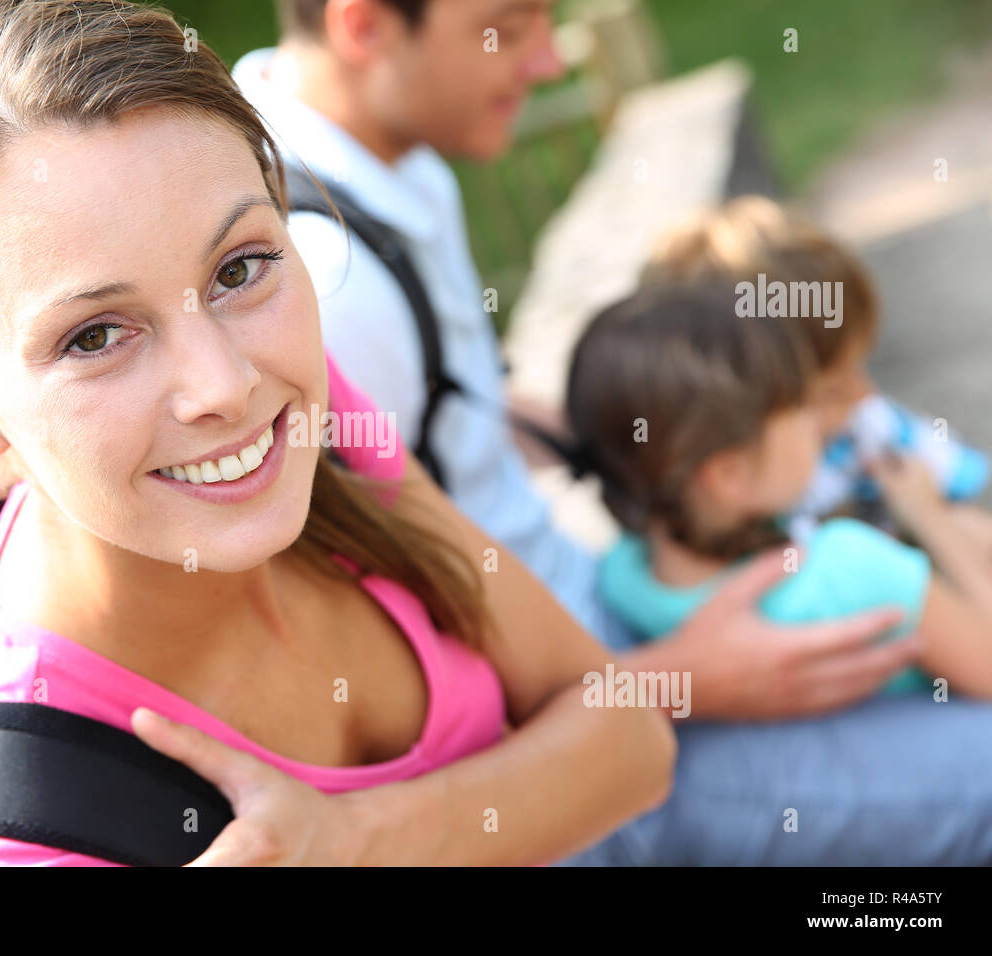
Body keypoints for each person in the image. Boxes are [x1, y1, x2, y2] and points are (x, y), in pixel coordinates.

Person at [0, 0, 675, 866]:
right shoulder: (12, 847)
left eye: (240, 268)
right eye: (94, 336)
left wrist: (356, 843)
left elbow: (631, 736)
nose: (226, 386)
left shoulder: (318, 416)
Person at [235, 0, 992, 863]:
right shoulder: (327, 286)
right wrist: (686, 680)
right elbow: (396, 695)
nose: (551, 61)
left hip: (611, 629)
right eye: (508, 28)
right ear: (365, 26)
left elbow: (465, 422)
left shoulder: (395, 169)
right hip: (589, 745)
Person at [566, 281, 992, 699]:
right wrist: (931, 518)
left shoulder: (625, 574)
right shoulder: (854, 570)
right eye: (801, 409)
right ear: (730, 475)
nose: (820, 422)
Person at [641, 195, 990, 536]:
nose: (862, 394)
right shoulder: (751, 506)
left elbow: (966, 503)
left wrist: (932, 514)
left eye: (857, 366)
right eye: (832, 392)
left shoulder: (870, 427)